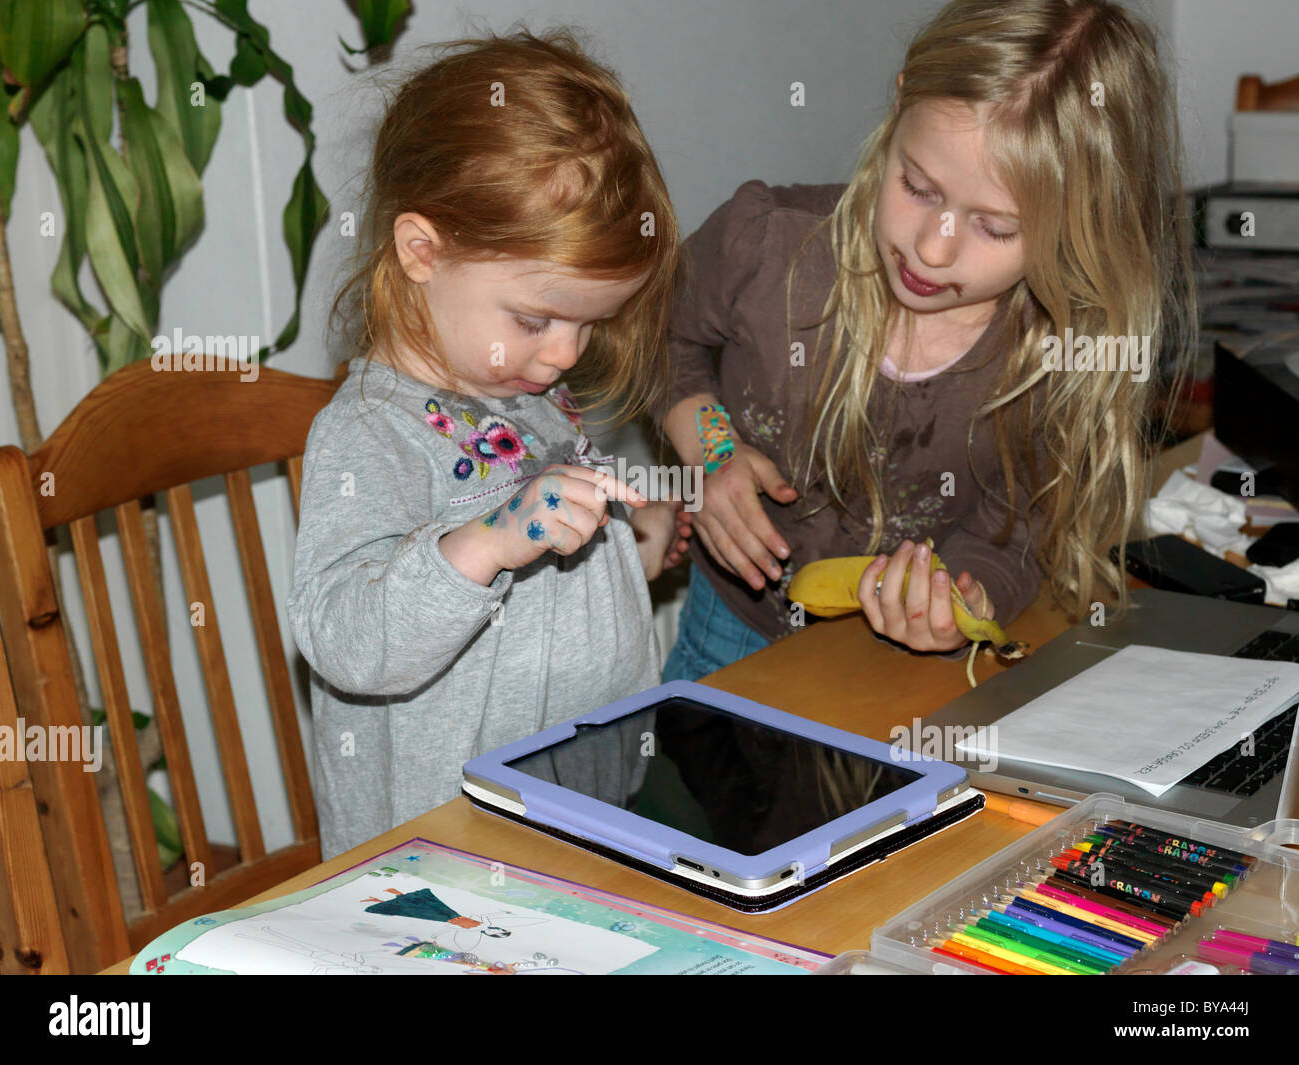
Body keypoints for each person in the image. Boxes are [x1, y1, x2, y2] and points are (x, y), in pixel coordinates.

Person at [658, 0, 1196, 681]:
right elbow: (660, 343)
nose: (932, 248)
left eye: (995, 228)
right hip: (730, 623)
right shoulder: (764, 242)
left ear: (1077, 223)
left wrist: (966, 598)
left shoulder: (1055, 354)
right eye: (917, 185)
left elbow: (1015, 537)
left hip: (902, 669)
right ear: (901, 98)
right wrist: (710, 450)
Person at [288, 29, 690, 859]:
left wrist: (630, 551)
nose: (567, 353)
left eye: (590, 321)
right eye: (537, 318)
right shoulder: (369, 434)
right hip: (439, 855)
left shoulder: (525, 384)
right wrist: (492, 539)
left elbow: (537, 599)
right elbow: (345, 637)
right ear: (422, 251)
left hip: (582, 811)